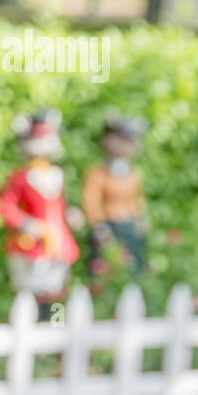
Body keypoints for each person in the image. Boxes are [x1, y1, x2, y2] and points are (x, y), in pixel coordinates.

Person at [0, 110, 80, 320]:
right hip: (33, 243)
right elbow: (7, 207)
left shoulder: (55, 176)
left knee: (55, 288)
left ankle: (53, 328)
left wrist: (70, 214)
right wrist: (25, 223)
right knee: (30, 291)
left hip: (57, 241)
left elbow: (57, 204)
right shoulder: (21, 177)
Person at [82, 116, 148, 276]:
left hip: (129, 225)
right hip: (109, 226)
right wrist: (99, 226)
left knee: (133, 267)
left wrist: (142, 217)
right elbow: (91, 201)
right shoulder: (98, 173)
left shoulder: (134, 173)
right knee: (105, 267)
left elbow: (137, 199)